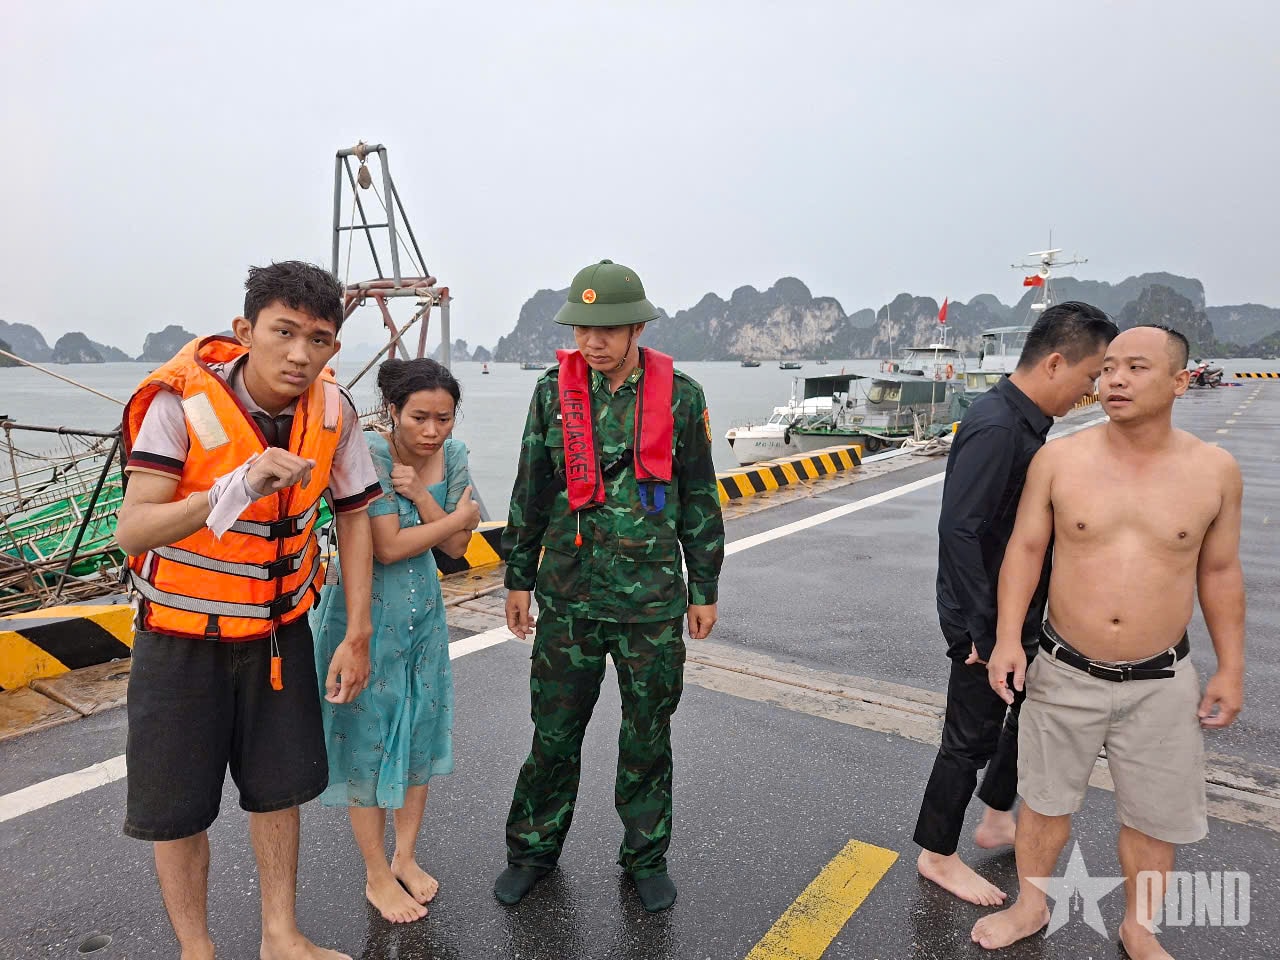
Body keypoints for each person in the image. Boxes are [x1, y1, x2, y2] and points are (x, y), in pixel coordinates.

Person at [116, 261, 382, 960]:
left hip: (277, 632)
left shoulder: (335, 412)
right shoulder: (180, 404)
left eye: (317, 339)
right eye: (282, 332)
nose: (299, 355)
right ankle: (196, 949)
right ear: (245, 330)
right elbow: (133, 530)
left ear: (333, 347)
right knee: (177, 809)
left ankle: (281, 936)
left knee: (278, 790)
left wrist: (357, 632)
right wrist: (232, 487)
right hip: (180, 636)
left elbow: (355, 517)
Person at [973, 325, 1245, 957]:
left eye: (1136, 367)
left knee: (1154, 817)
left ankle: (1138, 926)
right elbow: (1026, 550)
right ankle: (1031, 905)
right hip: (1064, 667)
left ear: (1180, 382)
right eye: (1109, 367)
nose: (1115, 379)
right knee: (1043, 803)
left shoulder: (1214, 471)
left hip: (1161, 681)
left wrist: (1231, 667)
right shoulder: (1060, 460)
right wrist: (1008, 638)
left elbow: (1219, 572)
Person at [495, 259, 725, 913]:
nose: (591, 343)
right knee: (553, 735)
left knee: (647, 735)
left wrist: (704, 585)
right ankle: (532, 852)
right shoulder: (551, 393)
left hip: (651, 602)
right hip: (568, 597)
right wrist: (518, 579)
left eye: (606, 330)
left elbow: (699, 494)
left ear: (636, 329)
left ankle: (645, 857)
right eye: (581, 330)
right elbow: (530, 488)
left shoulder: (682, 396)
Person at [914, 302, 1118, 905]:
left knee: (1027, 710)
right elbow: (959, 532)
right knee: (968, 739)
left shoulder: (1024, 421)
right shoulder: (999, 427)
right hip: (984, 618)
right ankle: (937, 854)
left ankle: (998, 813)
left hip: (1014, 612)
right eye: (1090, 376)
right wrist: (985, 634)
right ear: (1054, 363)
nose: (1092, 390)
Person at [310, 358, 481, 924]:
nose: (432, 431)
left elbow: (457, 550)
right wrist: (454, 516)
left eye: (443, 418)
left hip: (424, 617)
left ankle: (405, 856)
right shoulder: (372, 453)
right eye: (419, 417)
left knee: (419, 735)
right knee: (367, 741)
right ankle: (376, 873)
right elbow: (386, 546)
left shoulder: (455, 455)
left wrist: (427, 504)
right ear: (393, 411)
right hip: (364, 617)